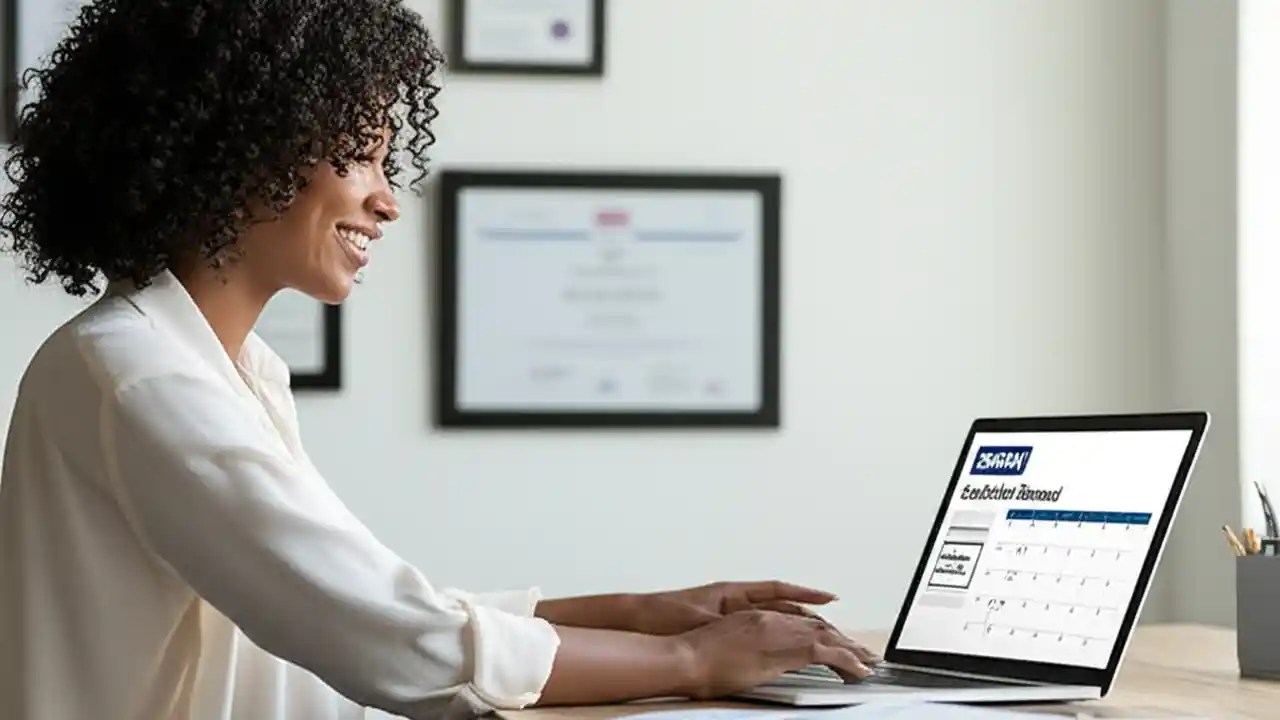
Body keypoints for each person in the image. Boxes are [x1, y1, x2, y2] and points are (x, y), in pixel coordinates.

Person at [0, 2, 879, 719]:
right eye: (360, 158)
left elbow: (371, 607)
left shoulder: (230, 369)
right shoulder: (141, 376)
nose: (387, 201)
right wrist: (691, 661)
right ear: (239, 152)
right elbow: (390, 640)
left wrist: (645, 615)